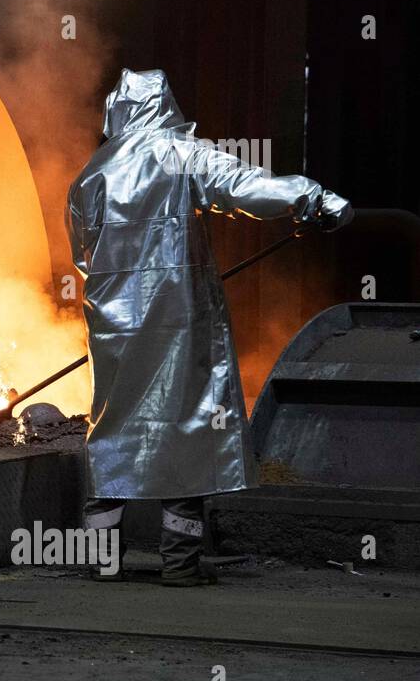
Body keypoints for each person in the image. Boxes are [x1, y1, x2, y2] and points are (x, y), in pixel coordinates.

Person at [67, 69, 352, 586]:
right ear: (166, 107)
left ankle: (102, 561)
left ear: (117, 112)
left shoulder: (90, 175)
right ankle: (179, 565)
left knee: (112, 432)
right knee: (187, 432)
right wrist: (313, 199)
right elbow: (247, 186)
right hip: (178, 324)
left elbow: (84, 257)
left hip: (114, 328)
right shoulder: (181, 155)